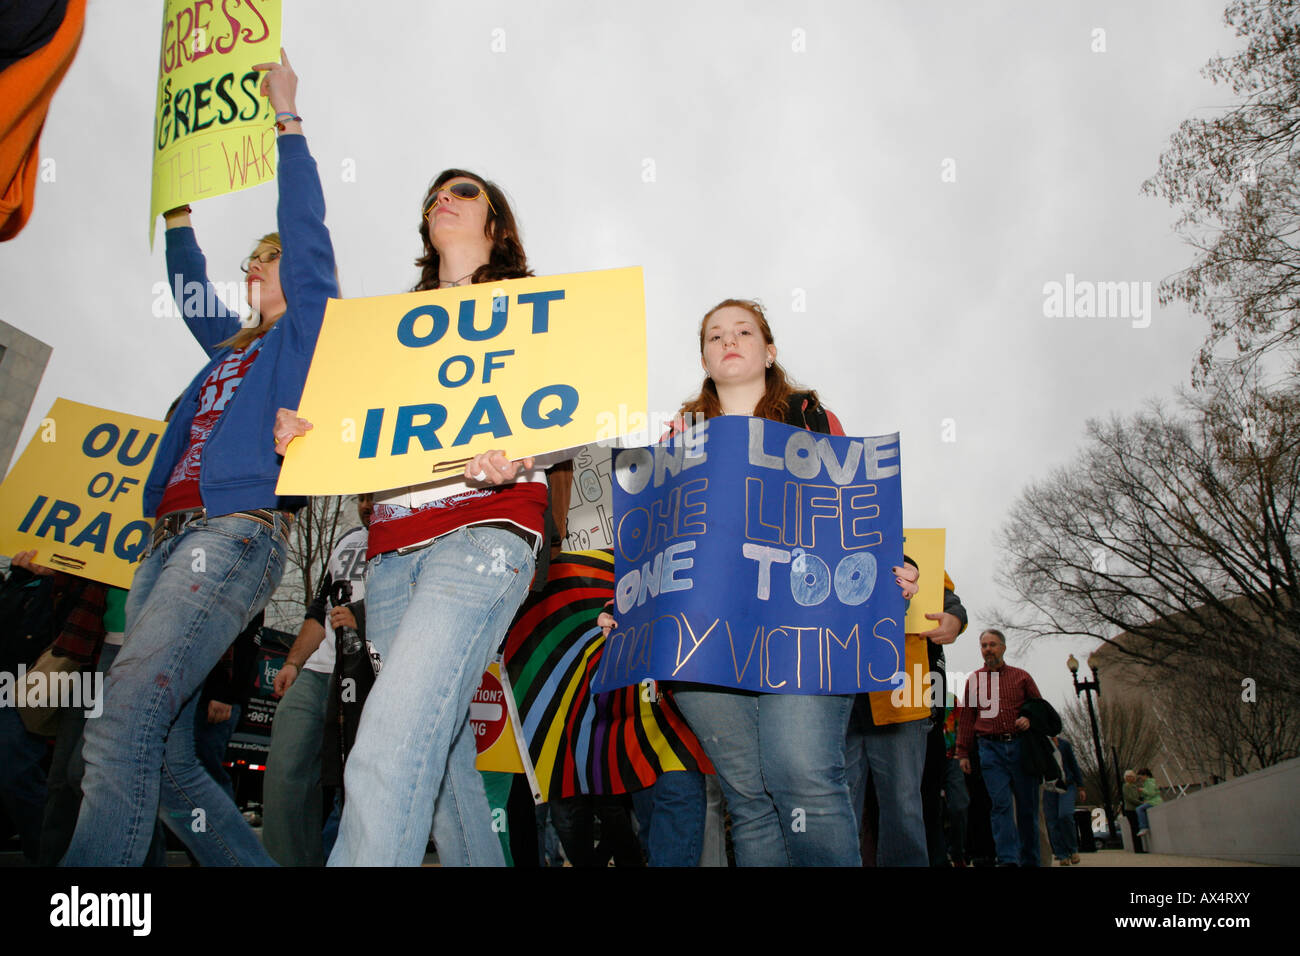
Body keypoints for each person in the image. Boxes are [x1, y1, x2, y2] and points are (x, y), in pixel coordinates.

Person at [61, 51, 337, 866]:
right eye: (249, 260)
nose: (253, 267)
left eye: (266, 256)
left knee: (117, 721)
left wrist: (287, 118)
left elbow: (309, 236)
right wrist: (177, 213)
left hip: (233, 533)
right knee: (169, 759)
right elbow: (189, 287)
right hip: (168, 541)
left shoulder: (304, 333)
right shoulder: (228, 347)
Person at [278, 169, 567, 866]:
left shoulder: (532, 307)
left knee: (388, 743)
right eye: (436, 192)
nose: (444, 197)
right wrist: (310, 437)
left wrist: (526, 450)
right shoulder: (387, 327)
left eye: (464, 191)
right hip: (393, 549)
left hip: (485, 531)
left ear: (496, 226)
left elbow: (572, 411)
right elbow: (360, 431)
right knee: (441, 765)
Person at [602, 299, 919, 866]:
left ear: (768, 350)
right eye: (715, 334)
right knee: (748, 797)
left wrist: (898, 563)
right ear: (703, 357)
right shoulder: (680, 437)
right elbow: (663, 532)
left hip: (804, 622)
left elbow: (852, 509)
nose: (729, 340)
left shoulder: (811, 417)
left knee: (802, 773)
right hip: (703, 633)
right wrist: (625, 603)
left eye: (744, 331)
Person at [262, 495, 371, 866]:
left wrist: (363, 619)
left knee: (355, 786)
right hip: (318, 669)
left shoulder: (409, 540)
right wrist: (293, 662)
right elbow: (317, 611)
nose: (368, 505)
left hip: (367, 674)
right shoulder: (347, 541)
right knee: (284, 772)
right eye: (364, 497)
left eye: (377, 496)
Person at [955, 629, 1044, 867]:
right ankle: (1008, 860)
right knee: (1000, 805)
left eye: (992, 644)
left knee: (1027, 809)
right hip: (990, 749)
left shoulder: (1021, 677)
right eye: (984, 645)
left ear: (1003, 647)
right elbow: (966, 717)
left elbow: (1040, 708)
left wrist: (1030, 719)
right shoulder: (974, 680)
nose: (988, 649)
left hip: (1020, 747)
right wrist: (962, 752)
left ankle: (1030, 860)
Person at [1043, 734, 1085, 865]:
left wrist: (1081, 786)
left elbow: (1073, 764)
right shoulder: (1040, 745)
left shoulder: (1064, 745)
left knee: (1065, 815)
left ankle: (1073, 849)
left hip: (1067, 784)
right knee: (1052, 821)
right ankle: (1061, 854)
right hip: (1049, 787)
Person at [1134, 767, 1163, 837]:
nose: (1141, 780)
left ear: (1145, 775)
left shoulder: (1150, 782)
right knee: (1140, 808)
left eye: (1141, 777)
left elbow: (1151, 793)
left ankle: (1144, 827)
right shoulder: (1147, 783)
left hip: (1155, 801)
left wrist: (1142, 790)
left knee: (1139, 809)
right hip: (1152, 801)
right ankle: (1143, 826)